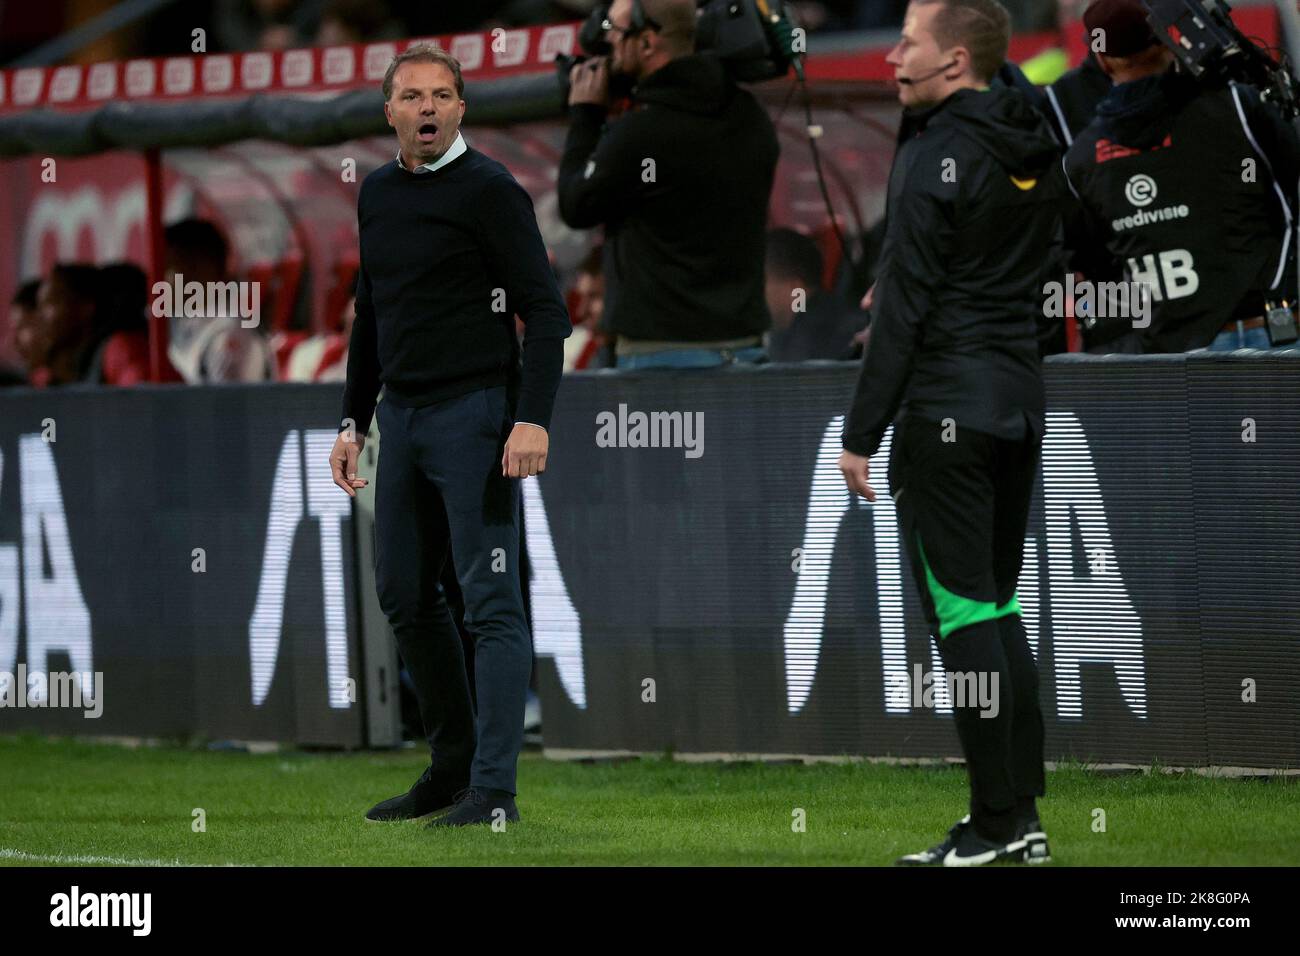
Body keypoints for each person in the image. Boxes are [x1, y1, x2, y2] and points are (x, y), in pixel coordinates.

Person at [837, 0, 1061, 866]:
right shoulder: (1029, 132)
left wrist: (861, 432)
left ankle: (994, 825)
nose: (891, 57)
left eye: (908, 43)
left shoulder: (933, 152)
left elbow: (905, 310)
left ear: (955, 60)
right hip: (1016, 402)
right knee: (999, 610)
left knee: (966, 618)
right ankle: (1021, 817)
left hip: (944, 412)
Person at [329, 45, 571, 828]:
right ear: (389, 111)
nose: (426, 107)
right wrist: (350, 418)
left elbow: (547, 309)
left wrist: (530, 415)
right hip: (400, 418)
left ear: (462, 108)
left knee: (490, 599)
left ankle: (495, 792)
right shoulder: (376, 195)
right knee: (403, 592)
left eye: (441, 95)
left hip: (476, 415)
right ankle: (451, 766)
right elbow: (373, 313)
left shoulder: (492, 191)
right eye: (411, 96)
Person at [1063, 0, 1300, 353]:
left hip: (1166, 352)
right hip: (1267, 333)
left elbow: (1093, 265)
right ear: (1167, 40)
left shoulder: (1080, 159)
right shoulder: (1237, 108)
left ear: (1101, 60)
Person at [557, 0, 778, 368]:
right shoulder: (752, 117)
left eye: (615, 28)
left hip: (659, 359)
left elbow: (575, 203)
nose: (607, 39)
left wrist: (585, 118)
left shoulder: (640, 133)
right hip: (745, 350)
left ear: (647, 44)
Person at [164, 218, 277, 383]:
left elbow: (231, 406)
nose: (159, 282)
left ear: (198, 267)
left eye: (168, 269)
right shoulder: (189, 327)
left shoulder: (228, 336)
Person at [764, 228, 862, 361]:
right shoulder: (845, 320)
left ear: (795, 288)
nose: (754, 295)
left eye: (761, 283)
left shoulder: (814, 340)